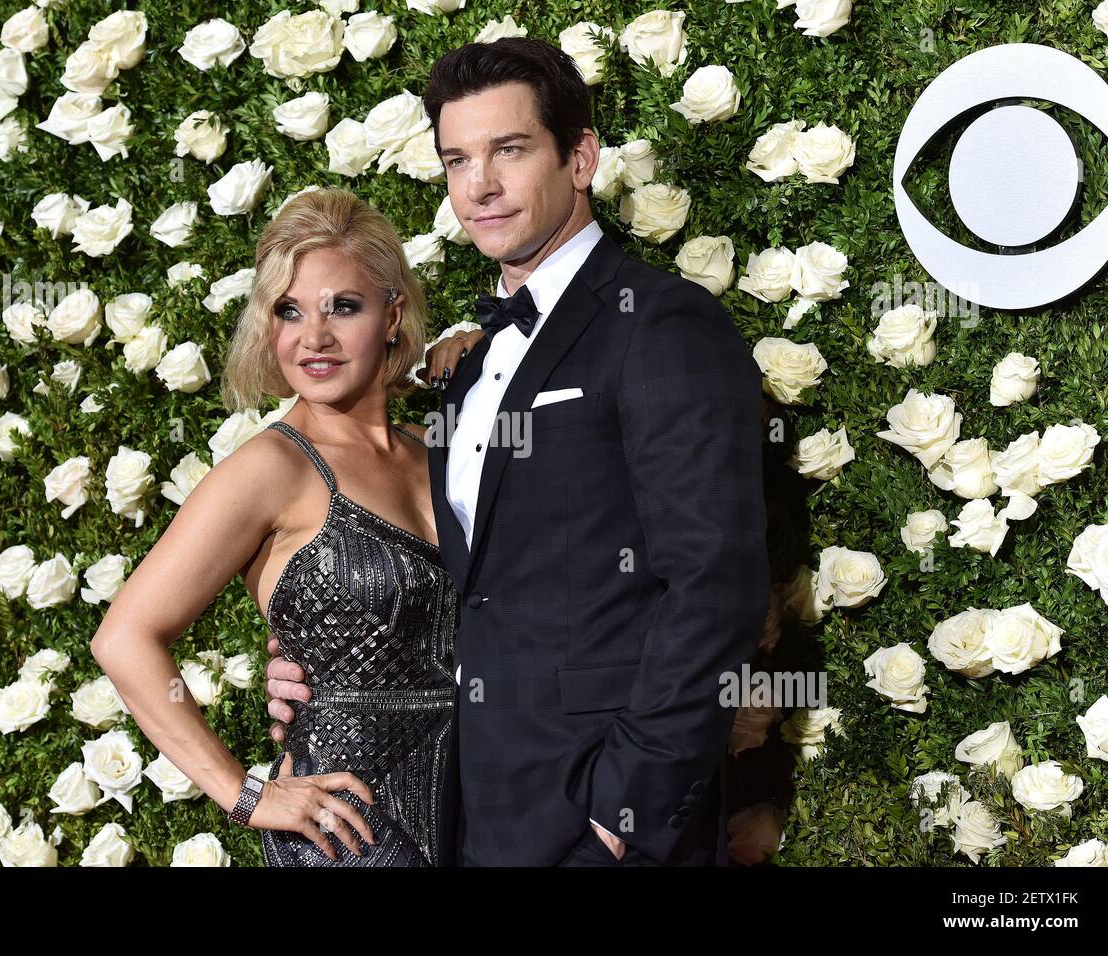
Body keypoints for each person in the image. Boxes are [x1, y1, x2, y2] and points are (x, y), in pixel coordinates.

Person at [265, 37, 772, 867]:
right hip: (463, 806)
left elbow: (716, 584)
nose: (481, 186)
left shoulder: (660, 324)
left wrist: (624, 816)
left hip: (604, 818)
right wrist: (319, 663)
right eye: (457, 159)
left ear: (581, 157)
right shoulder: (468, 364)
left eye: (510, 150)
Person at [90, 187, 478, 866]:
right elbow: (124, 638)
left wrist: (492, 353)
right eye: (289, 312)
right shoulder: (271, 467)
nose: (313, 339)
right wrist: (245, 795)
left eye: (343, 308)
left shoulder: (437, 446)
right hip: (350, 836)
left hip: (483, 809)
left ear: (393, 314)